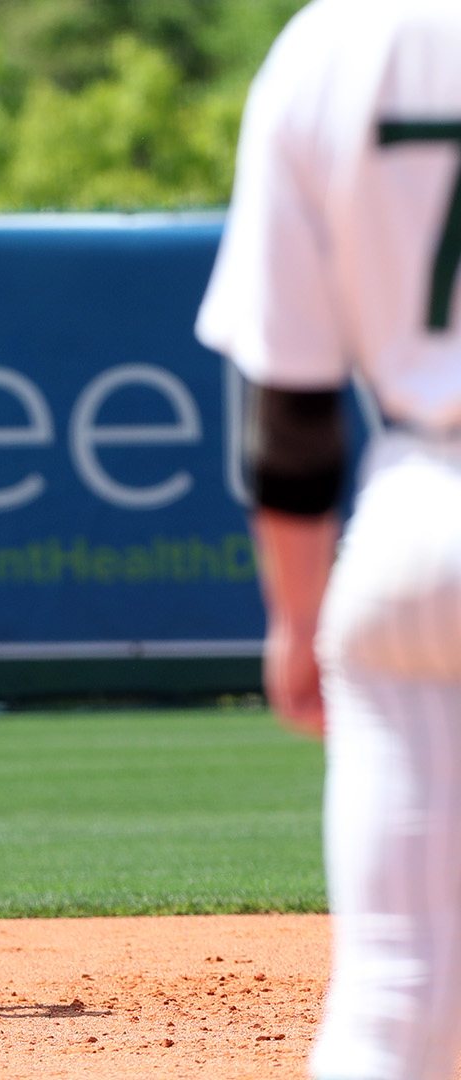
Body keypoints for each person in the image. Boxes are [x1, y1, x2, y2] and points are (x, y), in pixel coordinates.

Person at [195, 2, 461, 1077]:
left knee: (393, 997)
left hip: (415, 527)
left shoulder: (331, 43)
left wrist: (297, 618)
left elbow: (293, 404)